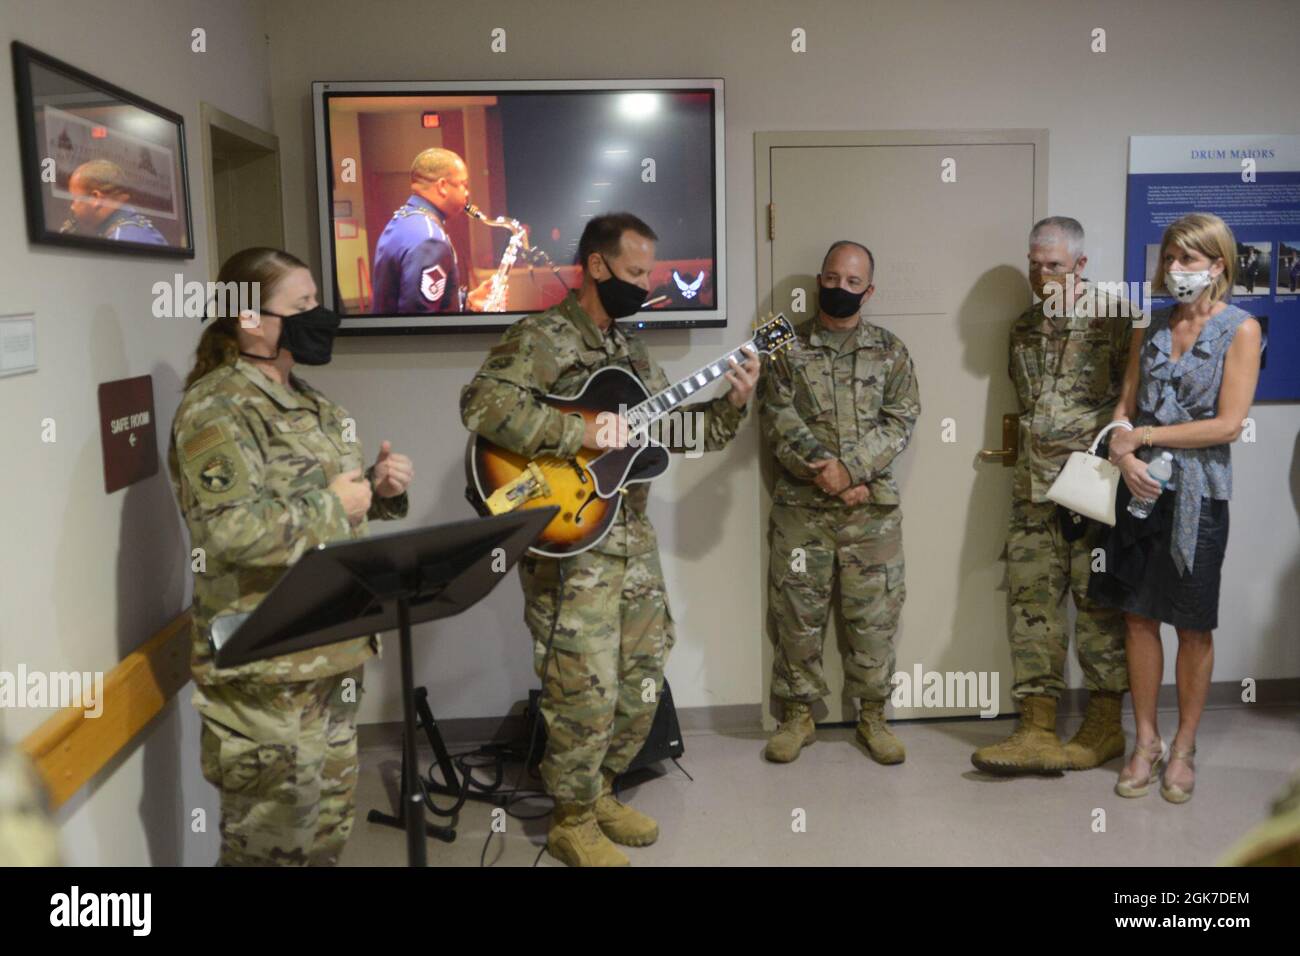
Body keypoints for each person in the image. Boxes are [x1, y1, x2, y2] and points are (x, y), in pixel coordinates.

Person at [460, 212, 760, 867]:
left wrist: (731, 405)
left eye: (648, 274)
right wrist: (581, 432)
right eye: (634, 272)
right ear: (597, 266)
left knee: (641, 676)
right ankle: (569, 819)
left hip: (631, 541)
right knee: (582, 688)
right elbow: (482, 405)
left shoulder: (631, 350)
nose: (645, 285)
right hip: (569, 545)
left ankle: (599, 791)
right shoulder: (541, 336)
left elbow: (674, 434)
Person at [169, 247, 414, 865]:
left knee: (325, 835)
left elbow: (326, 508)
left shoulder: (313, 402)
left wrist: (377, 490)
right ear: (251, 318)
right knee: (270, 844)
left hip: (331, 651)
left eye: (317, 301)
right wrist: (335, 505)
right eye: (302, 304)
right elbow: (227, 532)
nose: (319, 315)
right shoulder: (215, 408)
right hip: (264, 667)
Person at [1090, 212, 1262, 803]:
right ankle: (1146, 741)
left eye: (1188, 258)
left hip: (1199, 496)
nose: (1175, 268)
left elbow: (1228, 424)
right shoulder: (1152, 325)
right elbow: (1126, 405)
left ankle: (1184, 746)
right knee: (1138, 616)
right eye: (1169, 258)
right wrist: (1123, 451)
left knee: (1192, 623)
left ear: (1218, 265)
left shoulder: (1240, 330)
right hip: (1140, 489)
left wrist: (1145, 437)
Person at [972, 217, 1133, 775]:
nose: (1042, 275)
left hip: (1094, 490)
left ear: (1080, 265)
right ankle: (1036, 728)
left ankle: (1105, 725)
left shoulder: (1118, 320)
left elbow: (1134, 405)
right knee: (1032, 608)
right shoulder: (1023, 327)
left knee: (1099, 606)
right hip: (1034, 491)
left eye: (1055, 265)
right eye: (1035, 264)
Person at [759, 240, 919, 765]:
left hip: (870, 512)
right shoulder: (782, 346)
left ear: (868, 291)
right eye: (832, 278)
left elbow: (901, 420)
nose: (840, 288)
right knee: (796, 613)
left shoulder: (891, 351)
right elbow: (777, 419)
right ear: (819, 280)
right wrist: (827, 473)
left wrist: (851, 471)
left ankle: (873, 716)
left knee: (874, 616)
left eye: (853, 282)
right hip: (801, 509)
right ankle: (798, 715)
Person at [371, 147, 492, 314]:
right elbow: (421, 320)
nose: (467, 193)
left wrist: (467, 301)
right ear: (442, 186)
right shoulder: (430, 239)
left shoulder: (403, 219)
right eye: (463, 185)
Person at [61, 159, 167, 244]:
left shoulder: (123, 239)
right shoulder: (136, 230)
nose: (72, 207)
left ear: (95, 198)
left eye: (74, 200)